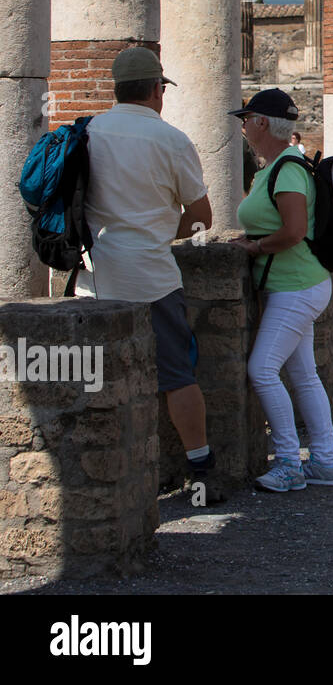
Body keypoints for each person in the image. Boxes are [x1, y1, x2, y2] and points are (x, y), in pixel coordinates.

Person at [79, 48, 219, 493]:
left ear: (116, 89)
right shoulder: (171, 139)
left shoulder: (88, 132)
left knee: (98, 376)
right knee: (177, 374)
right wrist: (162, 230)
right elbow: (202, 217)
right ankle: (199, 466)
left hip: (94, 276)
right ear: (158, 90)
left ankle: (98, 469)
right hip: (153, 275)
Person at [231, 89, 333, 491]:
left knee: (261, 370)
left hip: (295, 286)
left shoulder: (289, 169)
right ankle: (326, 463)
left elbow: (294, 231)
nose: (242, 126)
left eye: (246, 118)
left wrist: (255, 246)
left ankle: (290, 463)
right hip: (297, 285)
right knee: (304, 375)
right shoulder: (277, 166)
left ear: (261, 122)